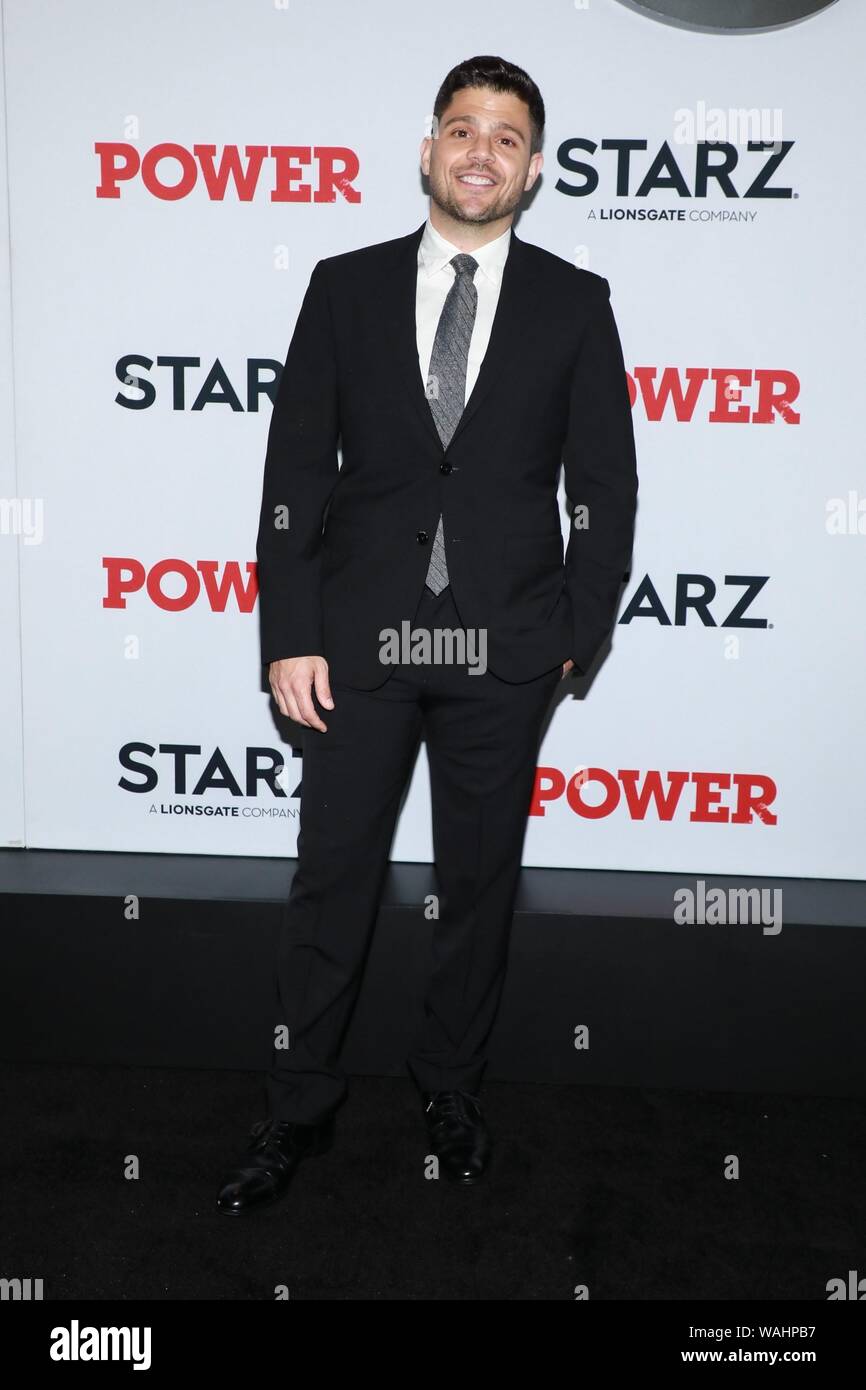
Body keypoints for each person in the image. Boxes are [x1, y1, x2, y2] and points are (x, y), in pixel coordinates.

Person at [216, 54, 638, 1215]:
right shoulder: (342, 288)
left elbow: (603, 487)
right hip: (356, 644)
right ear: (425, 149)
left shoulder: (572, 302)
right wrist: (288, 631)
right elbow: (294, 476)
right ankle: (297, 1106)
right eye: (462, 129)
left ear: (534, 169)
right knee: (332, 881)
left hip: (503, 650)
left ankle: (448, 1090)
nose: (480, 152)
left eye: (506, 138)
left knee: (476, 884)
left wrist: (574, 635)